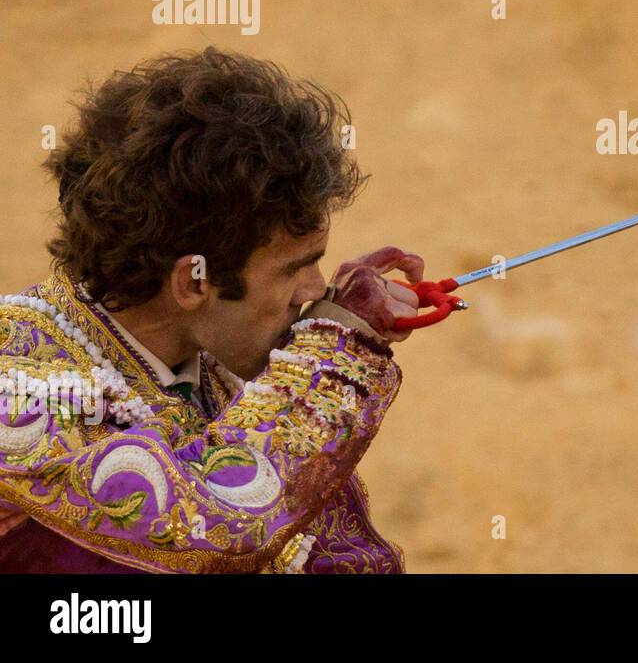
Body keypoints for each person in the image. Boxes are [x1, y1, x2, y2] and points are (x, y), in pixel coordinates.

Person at [0, 47, 434, 573]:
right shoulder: (21, 394)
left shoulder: (197, 354)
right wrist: (337, 355)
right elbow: (220, 522)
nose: (314, 290)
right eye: (294, 268)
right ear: (192, 281)